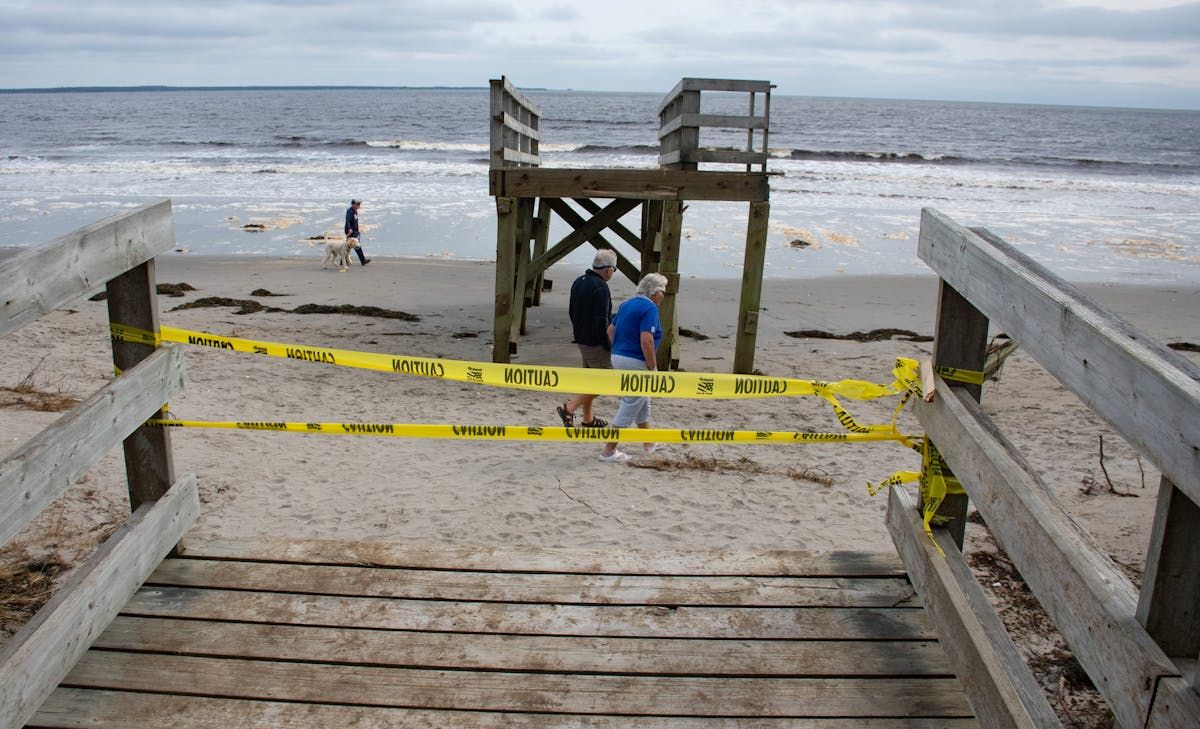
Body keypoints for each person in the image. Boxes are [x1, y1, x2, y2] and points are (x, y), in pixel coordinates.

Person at [599, 273, 669, 463]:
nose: (664, 295)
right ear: (655, 293)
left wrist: (621, 349)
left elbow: (610, 331)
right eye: (663, 291)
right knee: (632, 401)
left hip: (618, 356)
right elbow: (646, 340)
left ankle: (649, 442)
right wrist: (653, 366)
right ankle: (609, 450)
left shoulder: (627, 304)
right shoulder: (650, 307)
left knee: (642, 399)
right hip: (635, 360)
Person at [557, 250, 617, 429]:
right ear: (608, 270)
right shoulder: (600, 287)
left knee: (590, 380)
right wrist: (608, 344)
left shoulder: (579, 281)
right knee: (606, 381)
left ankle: (588, 419)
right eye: (614, 269)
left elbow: (571, 311)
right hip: (595, 342)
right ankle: (570, 407)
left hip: (582, 338)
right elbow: (601, 321)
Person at [343, 199, 371, 266]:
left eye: (359, 204)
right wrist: (349, 229)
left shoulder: (355, 210)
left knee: (347, 246)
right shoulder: (350, 211)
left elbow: (355, 222)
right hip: (350, 231)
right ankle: (363, 260)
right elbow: (347, 221)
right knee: (356, 245)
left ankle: (342, 261)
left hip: (354, 231)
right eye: (358, 204)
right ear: (353, 205)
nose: (359, 205)